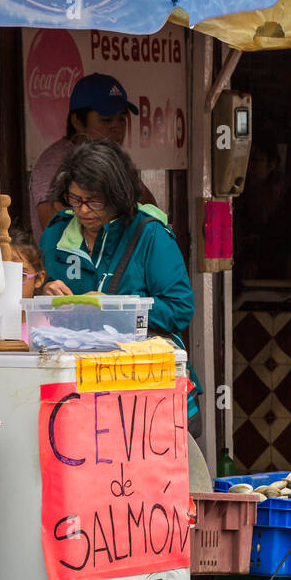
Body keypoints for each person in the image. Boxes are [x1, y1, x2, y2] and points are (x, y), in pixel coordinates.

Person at [39, 140, 200, 423]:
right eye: (75, 199)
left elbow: (180, 309)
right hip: (80, 393)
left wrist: (117, 308)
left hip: (148, 396)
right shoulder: (56, 234)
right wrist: (45, 291)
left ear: (117, 196)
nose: (83, 210)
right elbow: (35, 293)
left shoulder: (150, 236)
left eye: (94, 201)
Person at [29, 73, 155, 240]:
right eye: (106, 119)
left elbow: (151, 216)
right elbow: (57, 230)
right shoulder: (54, 164)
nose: (116, 127)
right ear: (78, 121)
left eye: (122, 119)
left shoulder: (115, 161)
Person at [0, 223, 46, 346]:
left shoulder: (48, 332)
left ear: (38, 279)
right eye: (1, 275)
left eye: (21, 275)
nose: (9, 285)